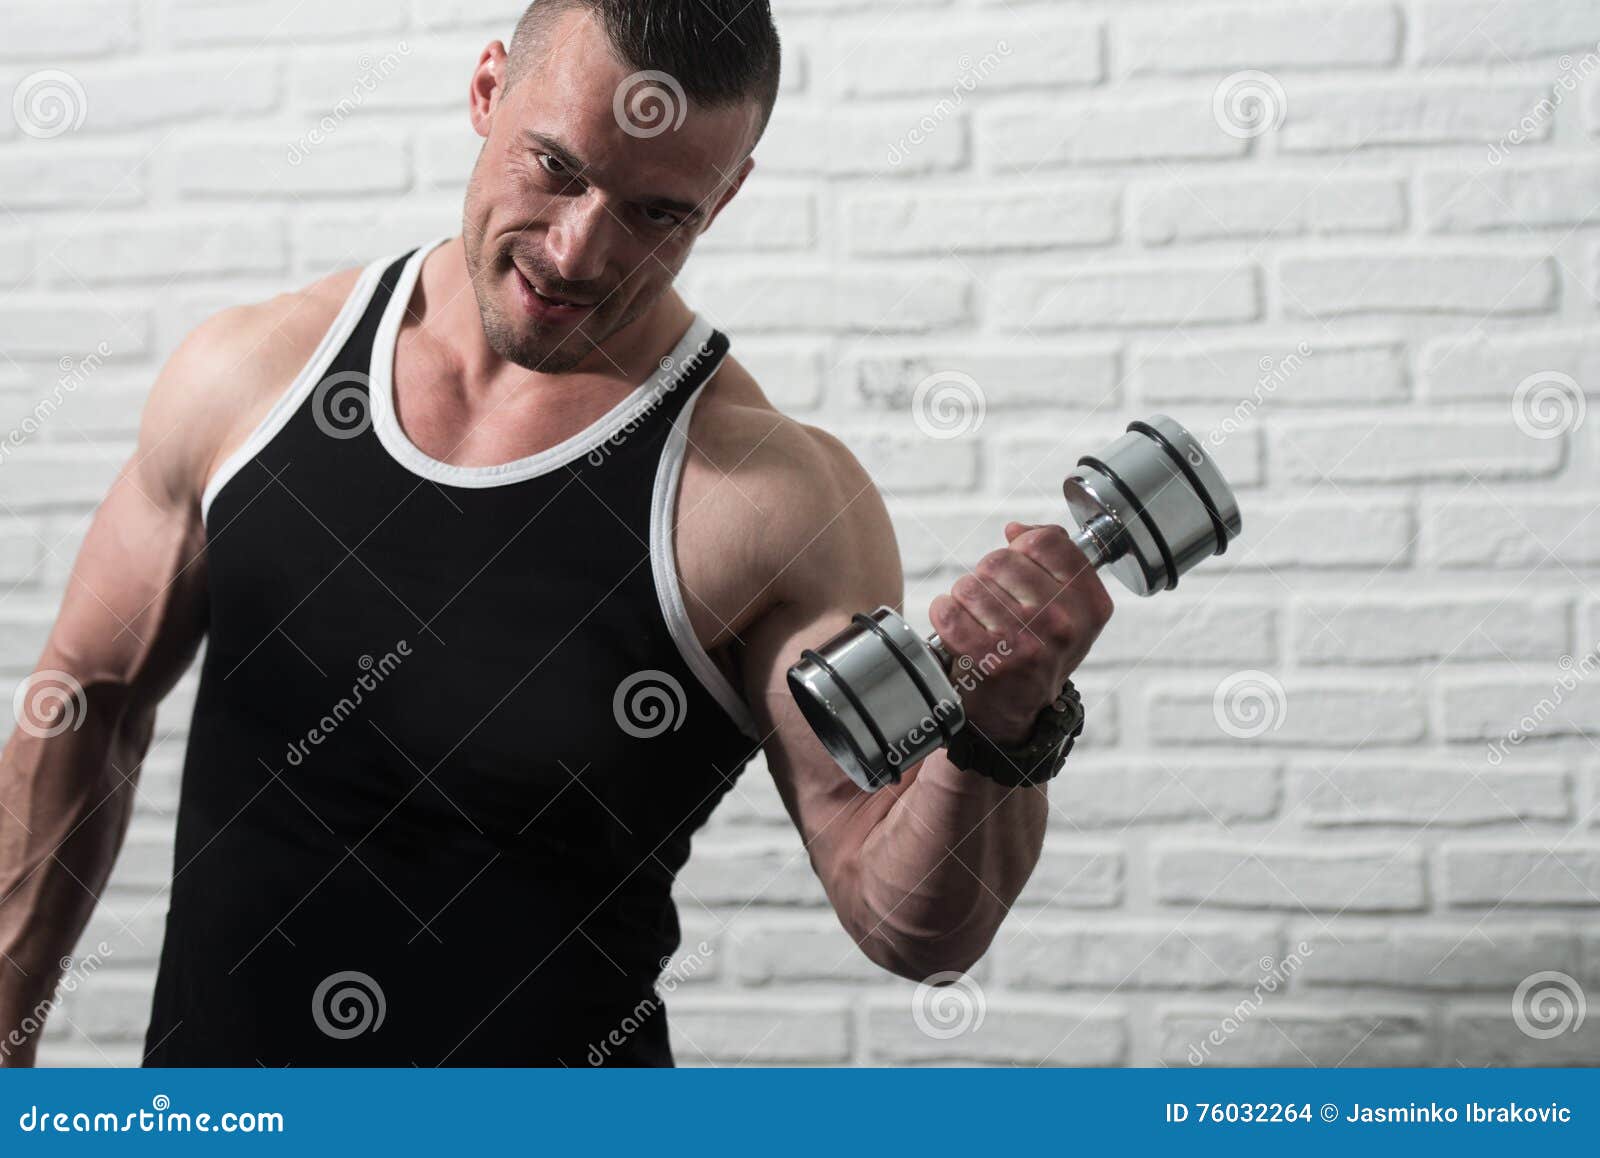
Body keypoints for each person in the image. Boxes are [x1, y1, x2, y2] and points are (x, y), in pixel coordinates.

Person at [0, 0, 1111, 1067]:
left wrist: (999, 735)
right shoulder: (253, 376)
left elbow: (907, 921)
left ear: (722, 200)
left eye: (656, 212)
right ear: (487, 90)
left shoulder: (773, 503)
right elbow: (85, 696)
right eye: (558, 169)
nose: (578, 253)